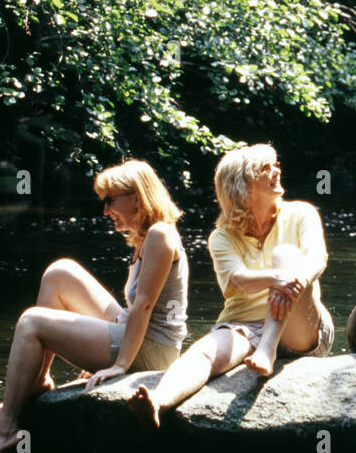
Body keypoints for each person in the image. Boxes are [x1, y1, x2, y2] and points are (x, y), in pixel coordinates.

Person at [0, 159, 188, 453]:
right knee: (60, 272)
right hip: (138, 332)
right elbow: (138, 308)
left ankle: (5, 431)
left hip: (153, 348)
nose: (105, 211)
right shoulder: (148, 237)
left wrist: (120, 365)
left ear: (136, 197)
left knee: (32, 322)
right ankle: (38, 381)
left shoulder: (160, 235)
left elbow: (144, 306)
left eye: (110, 201)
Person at [128, 143, 333, 429]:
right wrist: (276, 278)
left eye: (275, 164)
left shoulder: (302, 213)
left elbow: (317, 257)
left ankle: (268, 348)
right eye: (265, 168)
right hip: (244, 325)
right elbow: (237, 280)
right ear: (243, 186)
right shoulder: (221, 236)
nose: (277, 171)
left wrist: (299, 277)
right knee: (204, 352)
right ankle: (157, 402)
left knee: (285, 255)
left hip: (301, 328)